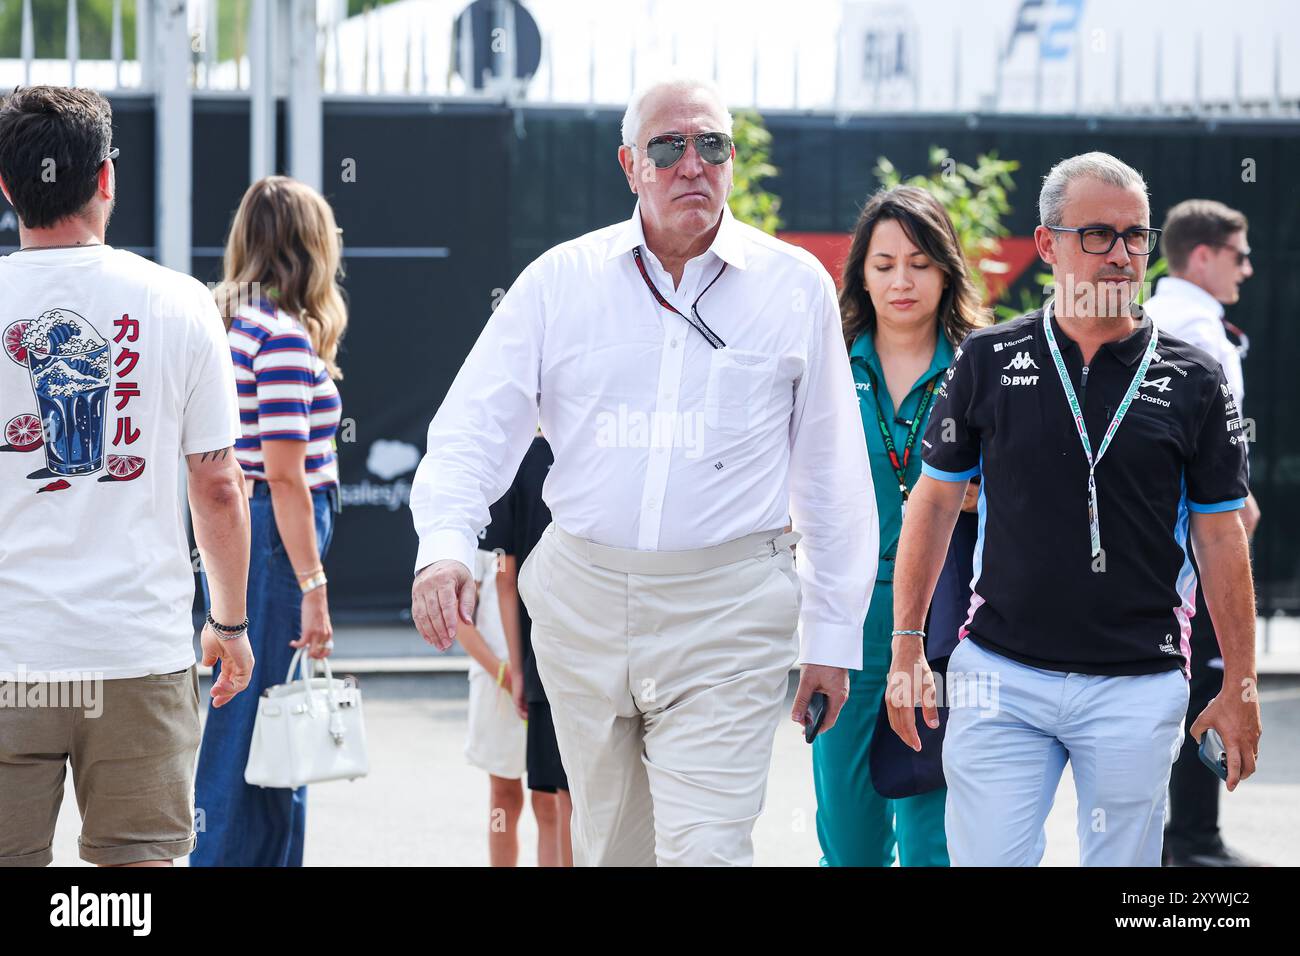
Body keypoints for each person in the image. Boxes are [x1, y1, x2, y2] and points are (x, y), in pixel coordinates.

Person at [410, 76, 875, 866]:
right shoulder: (561, 281)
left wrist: (832, 635)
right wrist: (446, 547)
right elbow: (470, 431)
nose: (692, 164)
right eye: (668, 147)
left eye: (712, 146)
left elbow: (830, 472)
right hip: (583, 605)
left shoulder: (793, 285)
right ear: (630, 165)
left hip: (730, 609)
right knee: (616, 850)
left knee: (708, 849)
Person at [889, 151, 1261, 866]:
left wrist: (1240, 684)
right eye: (1098, 235)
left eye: (1135, 236)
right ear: (1047, 243)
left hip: (1137, 682)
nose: (1122, 255)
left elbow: (1221, 540)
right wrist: (908, 647)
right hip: (1001, 673)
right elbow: (932, 505)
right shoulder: (989, 360)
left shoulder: (1195, 378)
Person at [0, 85, 252, 867]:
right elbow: (217, 484)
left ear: (6, 187)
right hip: (136, 650)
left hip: (11, 657)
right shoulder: (178, 301)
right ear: (108, 179)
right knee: (133, 881)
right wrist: (232, 624)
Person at [813, 185, 987, 867]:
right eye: (882, 265)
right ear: (861, 273)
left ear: (946, 269)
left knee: (930, 840)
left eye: (919, 262)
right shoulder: (825, 361)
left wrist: (988, 496)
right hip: (845, 621)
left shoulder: (987, 364)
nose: (901, 281)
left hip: (947, 620)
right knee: (851, 843)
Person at [191, 176, 347, 867]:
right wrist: (313, 585)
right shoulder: (281, 337)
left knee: (249, 726)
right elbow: (285, 477)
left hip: (246, 538)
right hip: (276, 542)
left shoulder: (226, 325)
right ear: (308, 247)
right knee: (267, 729)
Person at [1144, 199, 1263, 866]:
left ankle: (1184, 836)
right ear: (1204, 255)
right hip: (1195, 547)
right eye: (1240, 256)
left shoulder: (1162, 318)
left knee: (1188, 681)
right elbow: (1201, 444)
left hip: (1171, 544)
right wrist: (1234, 507)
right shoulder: (1194, 328)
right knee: (1205, 683)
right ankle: (1189, 839)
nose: (1247, 270)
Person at [490, 431, 573, 867]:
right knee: (589, 803)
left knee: (558, 803)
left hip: (543, 653)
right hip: (612, 643)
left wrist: (519, 668)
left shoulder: (519, 459)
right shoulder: (605, 442)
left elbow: (505, 573)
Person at [461, 510, 528, 867]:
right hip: (495, 682)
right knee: (504, 796)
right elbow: (462, 623)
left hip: (545, 680)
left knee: (554, 799)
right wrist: (503, 674)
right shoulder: (485, 524)